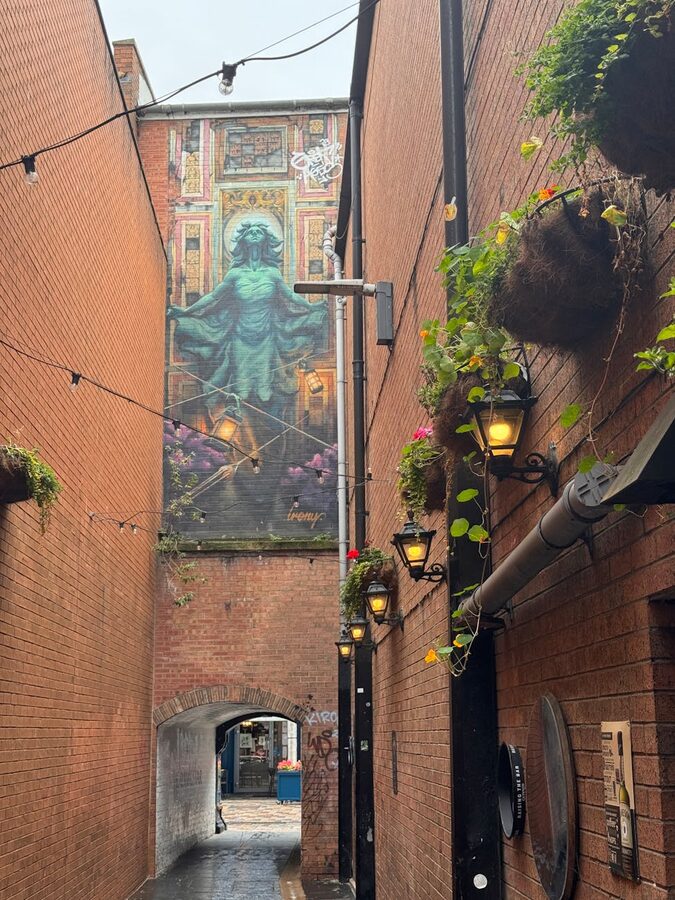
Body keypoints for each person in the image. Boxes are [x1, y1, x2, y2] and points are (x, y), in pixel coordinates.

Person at [167, 220, 327, 429]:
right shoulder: (235, 274)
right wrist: (186, 312)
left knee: (264, 388)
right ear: (242, 241)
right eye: (249, 231)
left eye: (258, 231)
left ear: (265, 240)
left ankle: (267, 433)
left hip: (266, 338)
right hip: (240, 338)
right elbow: (213, 298)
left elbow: (290, 297)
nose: (253, 233)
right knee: (240, 387)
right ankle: (234, 436)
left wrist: (312, 308)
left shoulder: (273, 273)